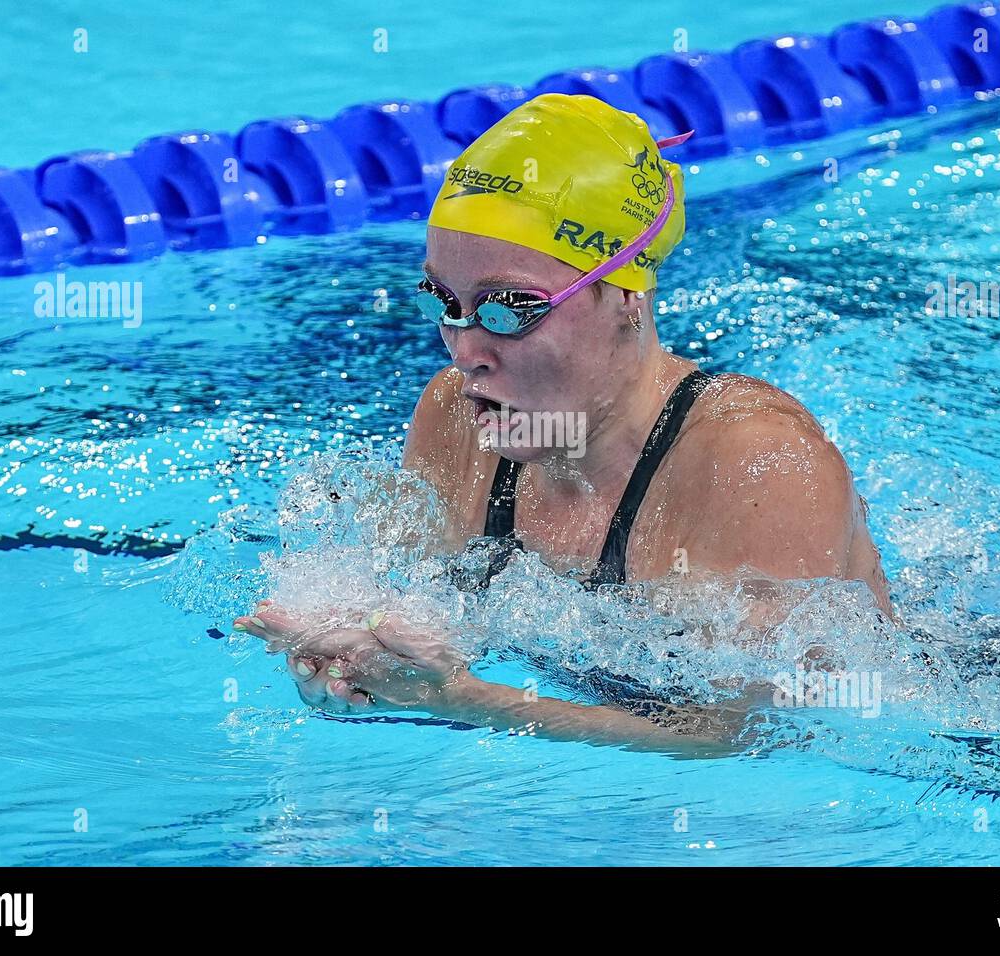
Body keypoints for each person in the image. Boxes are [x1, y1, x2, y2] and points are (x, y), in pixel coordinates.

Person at [234, 93, 893, 755]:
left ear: (629, 295)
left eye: (510, 308)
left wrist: (464, 701)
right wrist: (366, 659)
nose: (465, 352)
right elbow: (428, 619)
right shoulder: (455, 419)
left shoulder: (759, 466)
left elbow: (751, 739)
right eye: (446, 302)